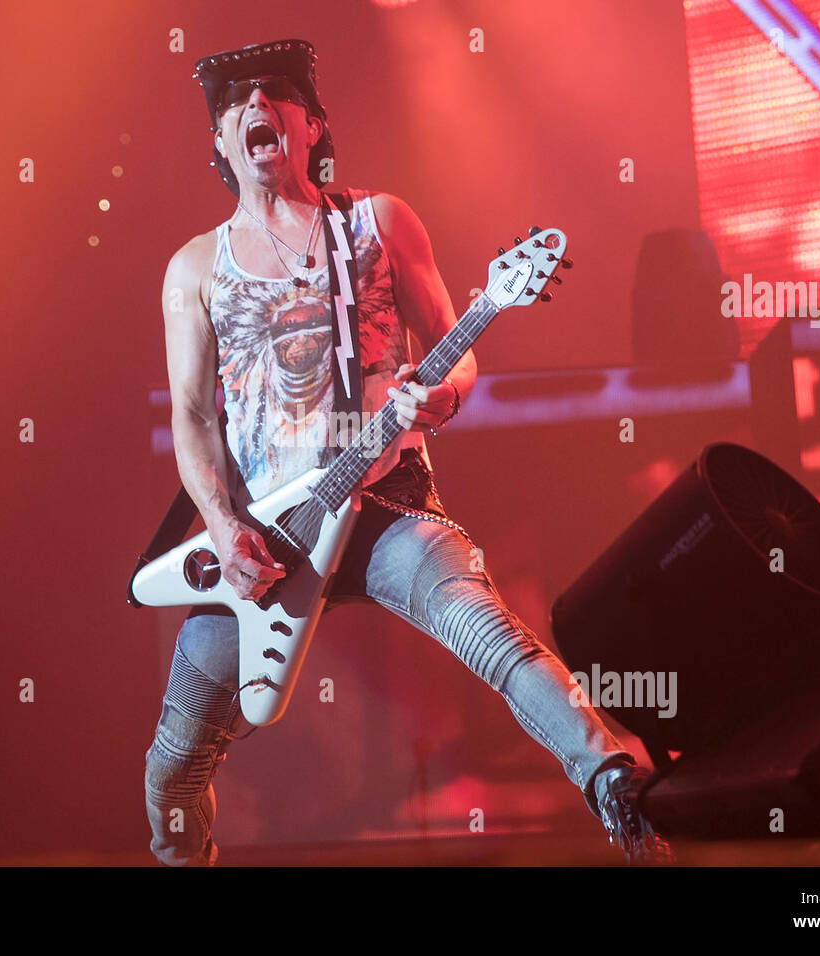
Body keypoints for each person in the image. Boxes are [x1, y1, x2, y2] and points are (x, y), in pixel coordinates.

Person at [143, 37, 673, 866]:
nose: (254, 108)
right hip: (263, 536)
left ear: (312, 124)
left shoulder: (377, 221)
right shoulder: (193, 268)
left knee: (488, 632)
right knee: (175, 761)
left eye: (275, 94)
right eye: (232, 103)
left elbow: (454, 343)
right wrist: (219, 526)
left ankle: (613, 781)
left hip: (385, 500)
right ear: (218, 141)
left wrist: (446, 394)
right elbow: (188, 416)